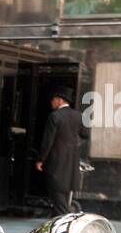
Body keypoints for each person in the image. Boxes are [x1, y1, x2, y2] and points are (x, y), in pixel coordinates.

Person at [36, 87, 89, 216]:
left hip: (56, 163)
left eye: (53, 99)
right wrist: (73, 145)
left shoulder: (55, 116)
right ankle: (56, 227)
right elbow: (86, 134)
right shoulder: (78, 116)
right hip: (71, 163)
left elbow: (48, 141)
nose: (51, 102)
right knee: (62, 196)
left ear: (60, 100)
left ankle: (65, 227)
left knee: (59, 201)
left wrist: (40, 159)